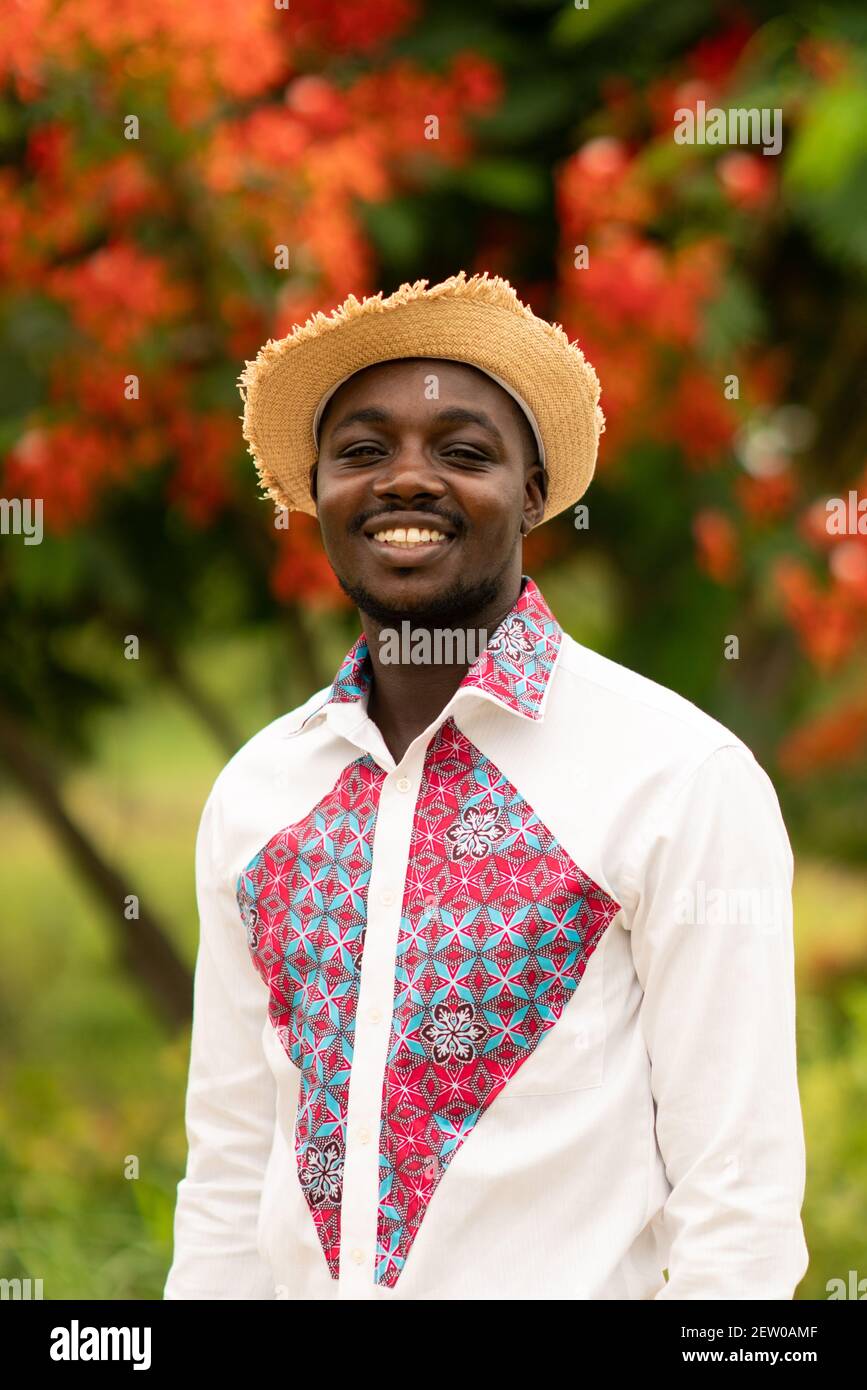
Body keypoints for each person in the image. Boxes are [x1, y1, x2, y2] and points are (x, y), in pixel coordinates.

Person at [164, 270, 809, 1300]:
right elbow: (231, 1176)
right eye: (362, 452)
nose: (406, 480)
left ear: (534, 493)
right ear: (317, 493)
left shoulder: (677, 777)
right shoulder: (260, 796)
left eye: (463, 452)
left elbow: (739, 1212)